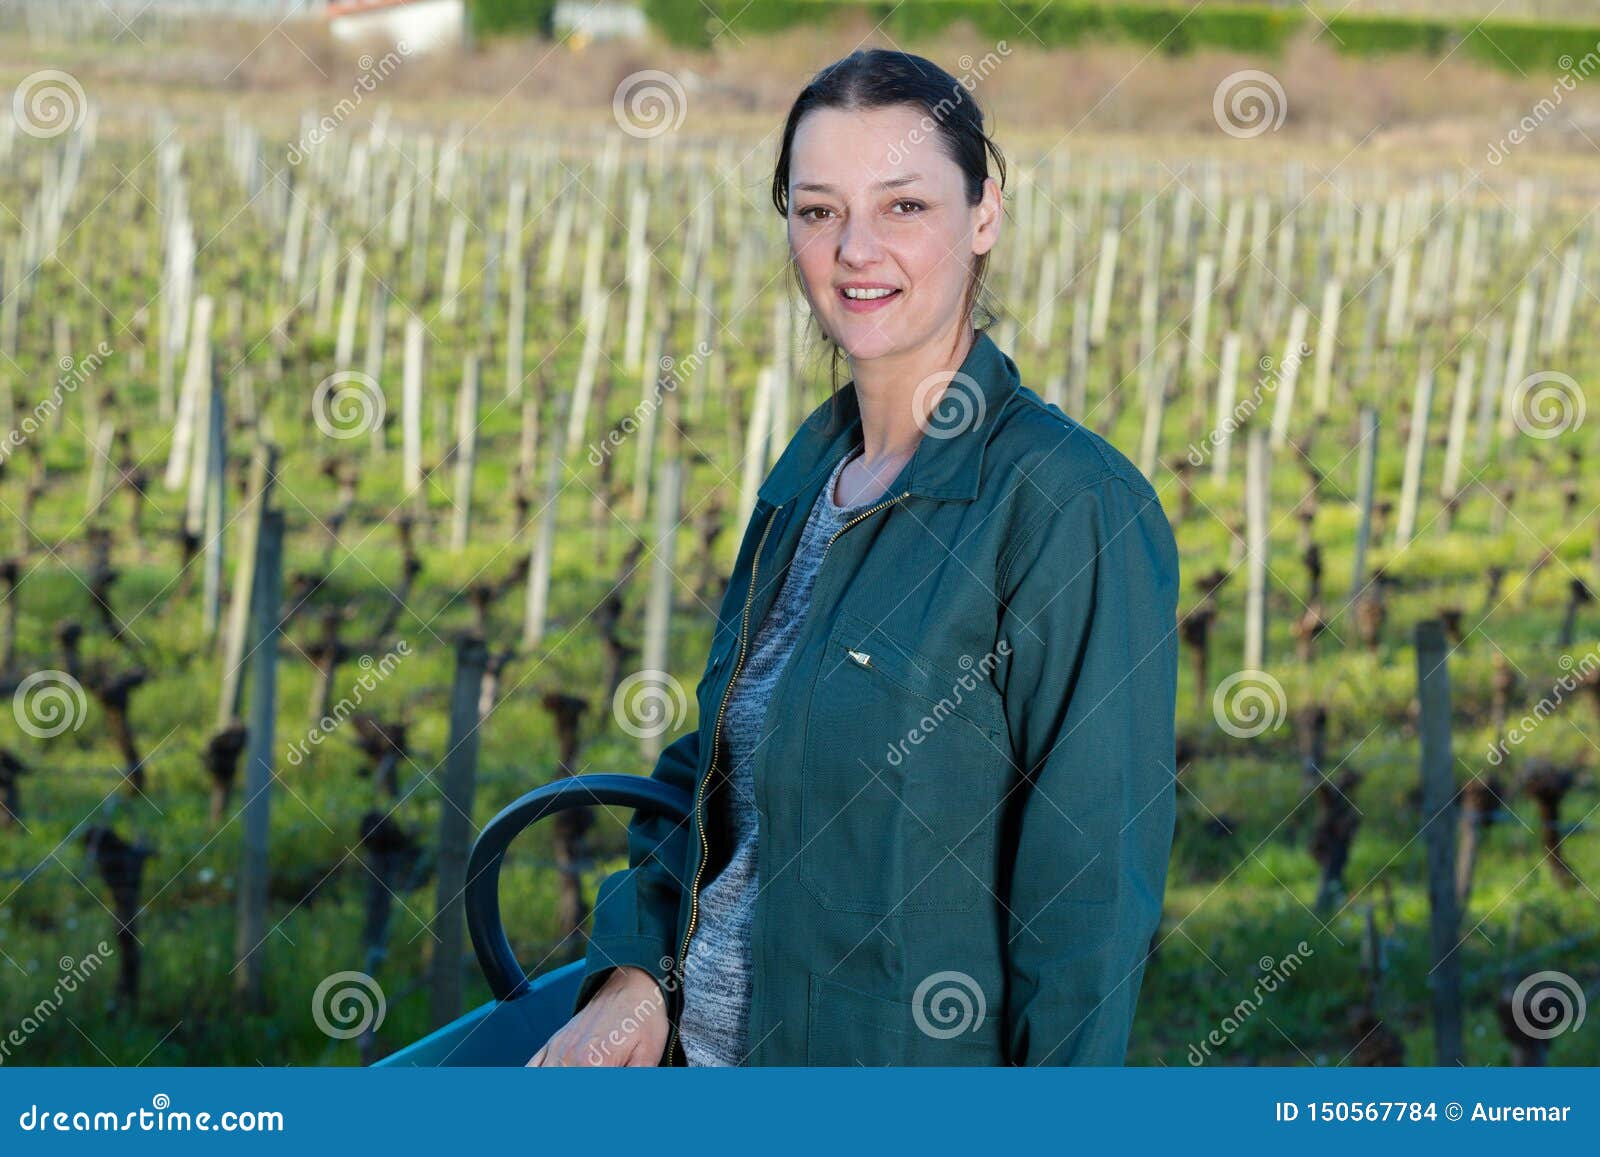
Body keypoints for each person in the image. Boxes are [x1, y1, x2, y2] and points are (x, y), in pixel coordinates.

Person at [530, 47, 1179, 1067]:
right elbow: (714, 780)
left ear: (984, 216)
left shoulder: (1064, 502)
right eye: (818, 209)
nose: (855, 249)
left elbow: (1087, 907)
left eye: (904, 207)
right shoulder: (807, 480)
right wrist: (634, 977)